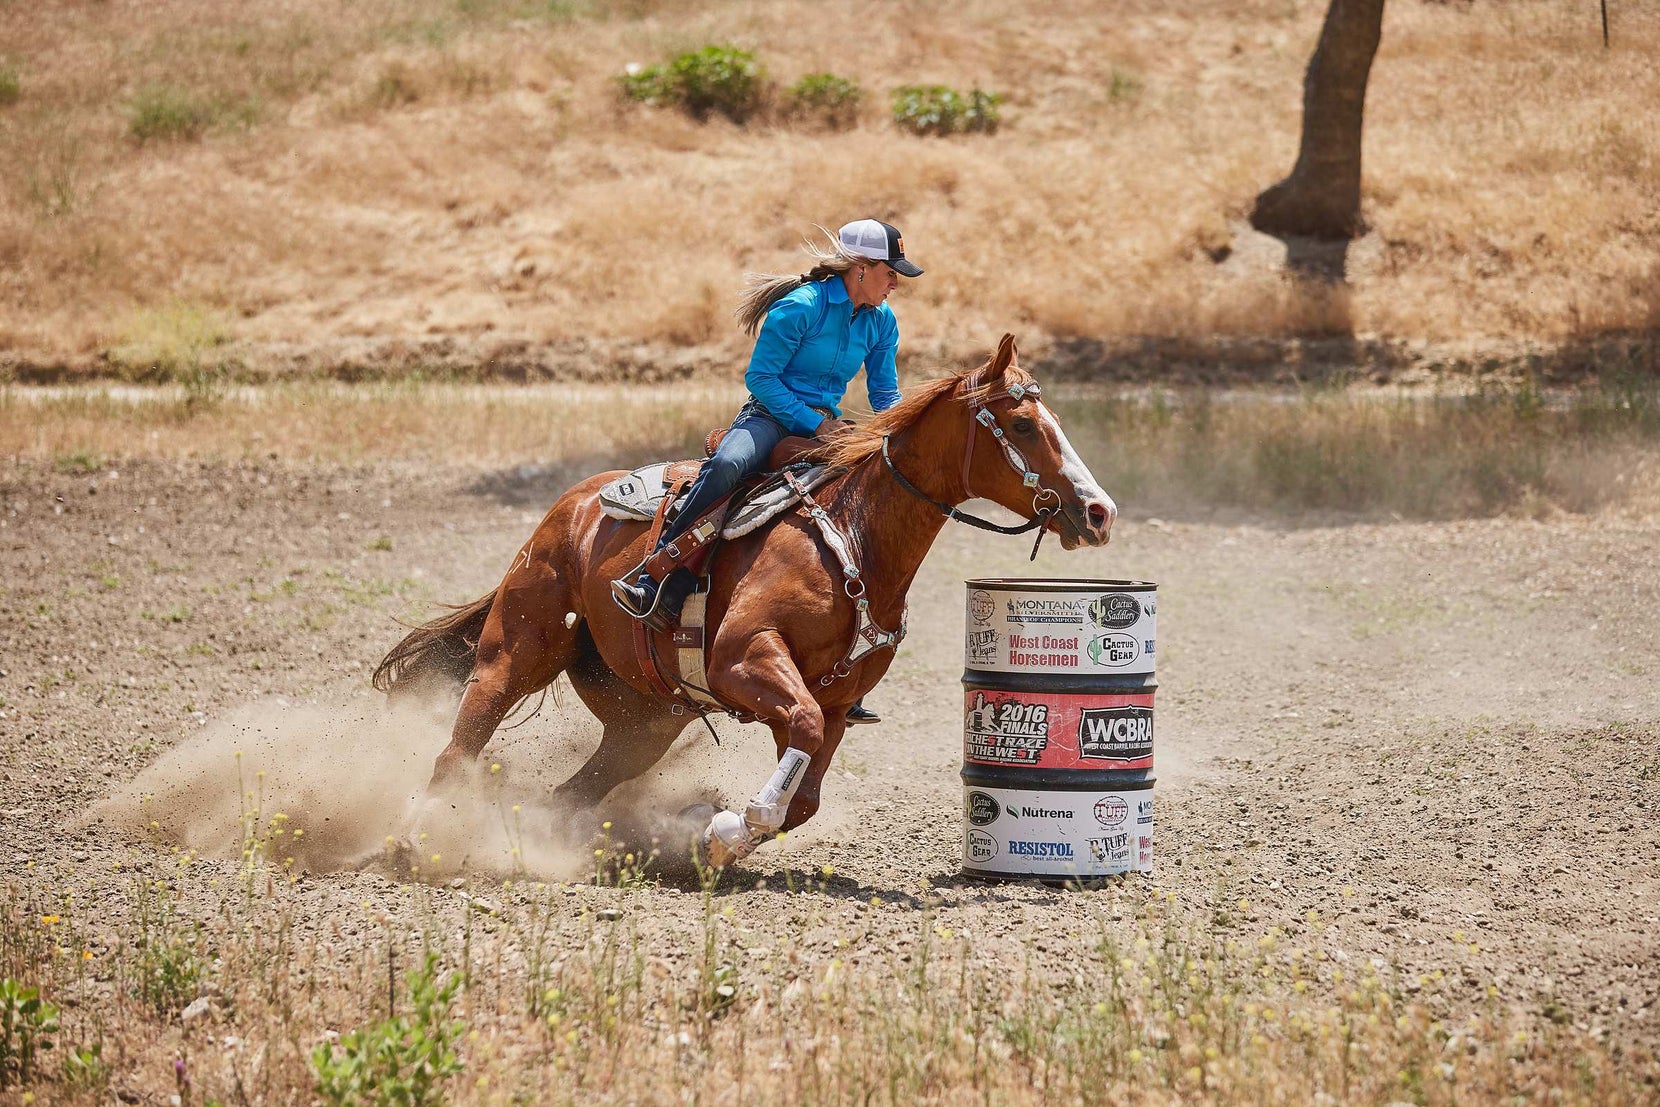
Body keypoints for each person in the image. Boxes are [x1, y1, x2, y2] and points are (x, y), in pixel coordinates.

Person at [612, 217, 923, 725]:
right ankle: (657, 575)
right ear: (861, 269)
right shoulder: (800, 307)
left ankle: (848, 659)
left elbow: (885, 390)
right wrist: (813, 425)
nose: (896, 283)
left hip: (828, 428)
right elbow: (762, 378)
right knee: (730, 464)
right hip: (769, 419)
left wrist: (893, 431)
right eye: (891, 273)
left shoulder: (881, 320)